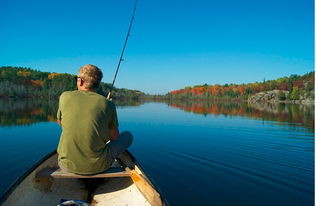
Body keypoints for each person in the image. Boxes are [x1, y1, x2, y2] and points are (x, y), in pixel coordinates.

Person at [56, 64, 133, 175]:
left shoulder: (64, 96)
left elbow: (61, 123)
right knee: (128, 136)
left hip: (66, 165)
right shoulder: (108, 104)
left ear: (81, 81)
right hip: (99, 167)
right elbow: (114, 137)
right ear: (97, 84)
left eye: (76, 79)